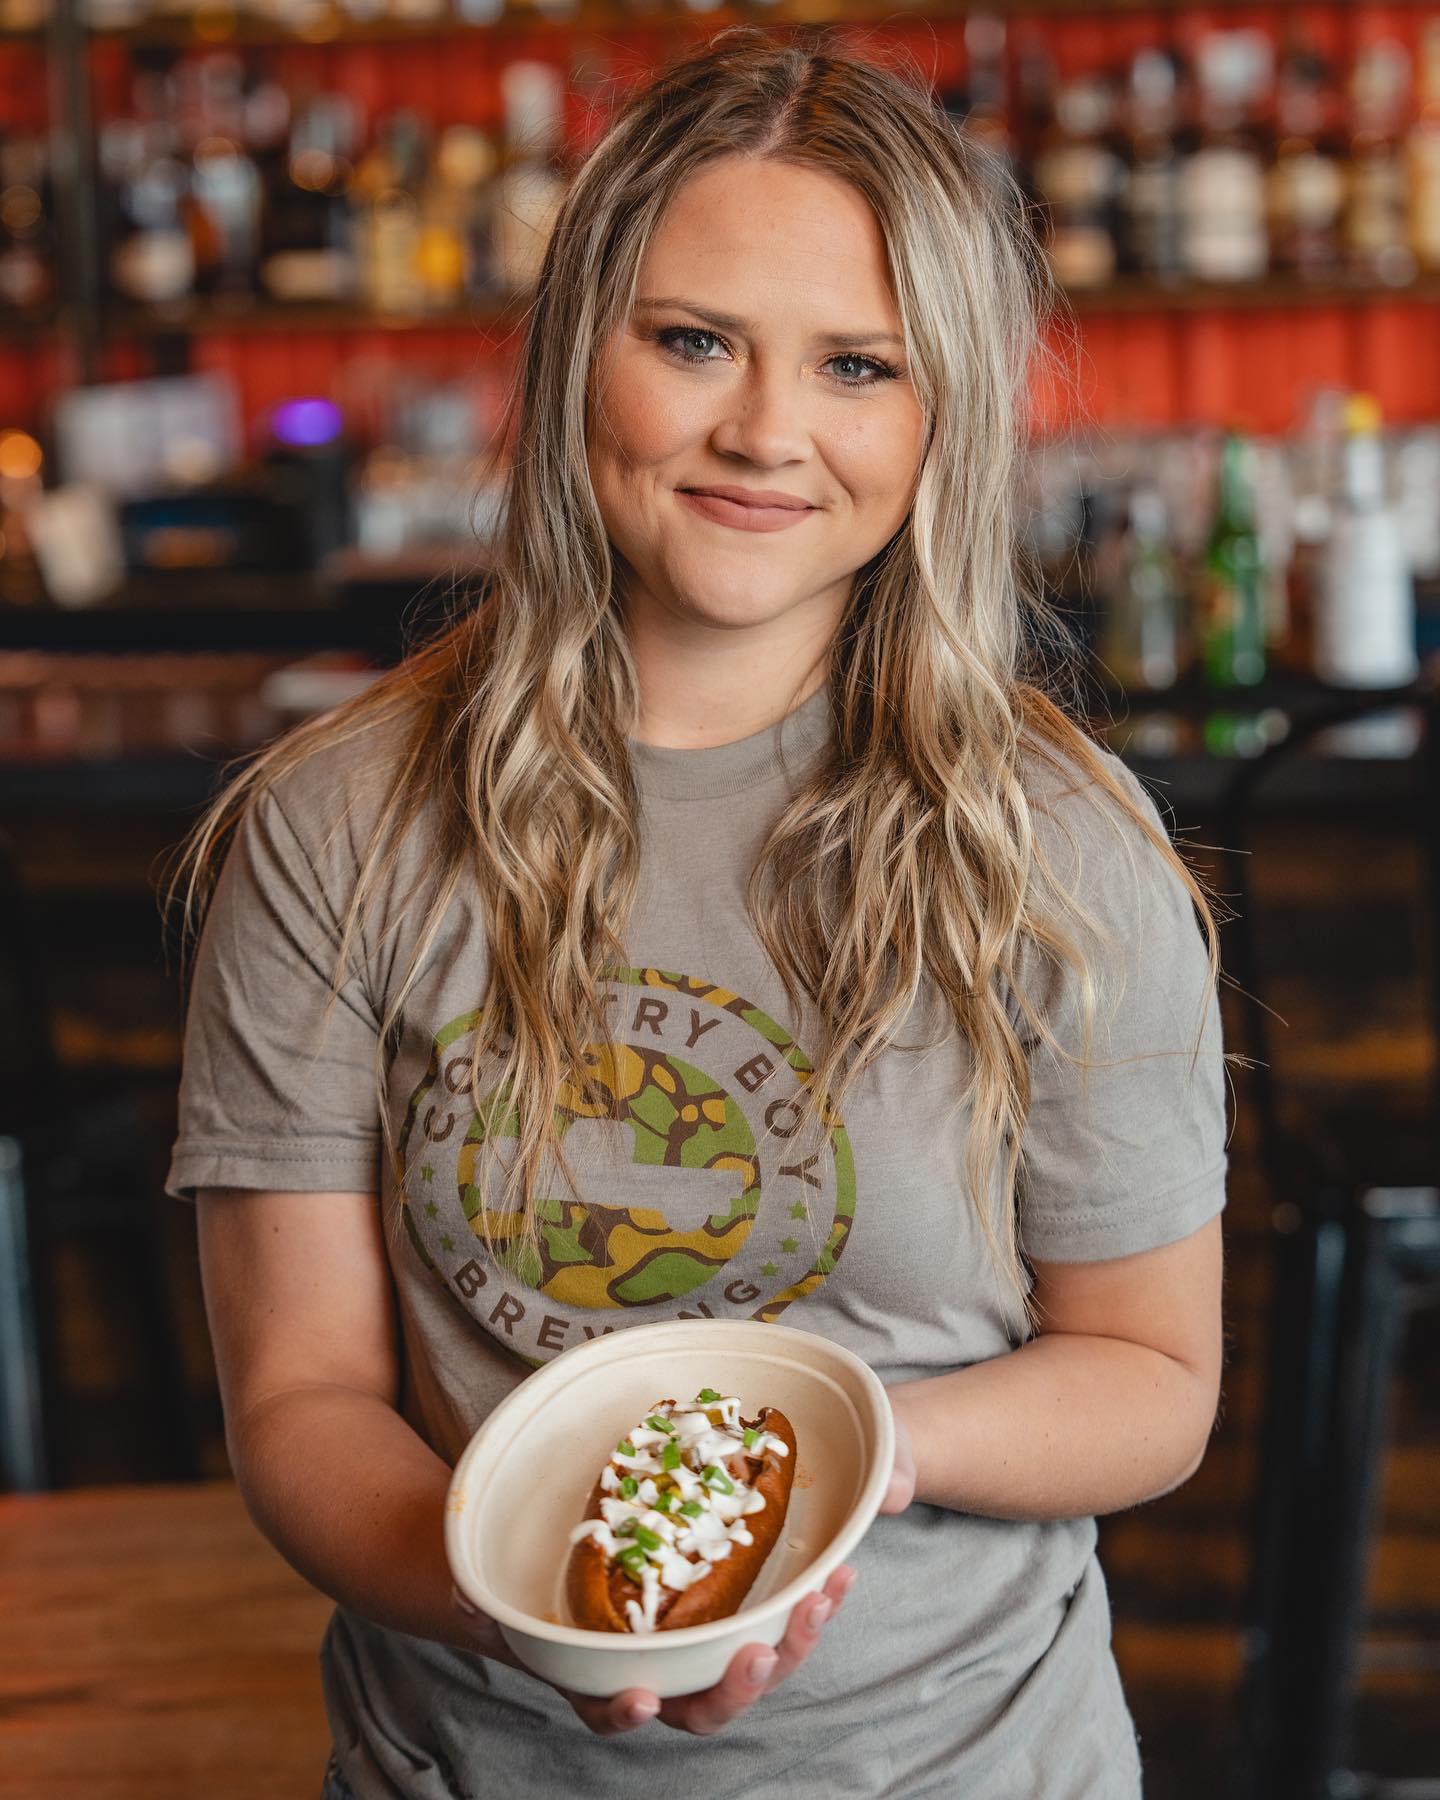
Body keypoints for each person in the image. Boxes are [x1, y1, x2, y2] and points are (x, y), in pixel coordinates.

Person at [165, 29, 1234, 1800]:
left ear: (939, 417)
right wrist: (529, 1605)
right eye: (693, 341)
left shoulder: (1059, 841)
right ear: (580, 349)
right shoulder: (328, 824)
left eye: (859, 366)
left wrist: (861, 1449)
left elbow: (1150, 1374)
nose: (765, 431)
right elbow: (301, 1403)